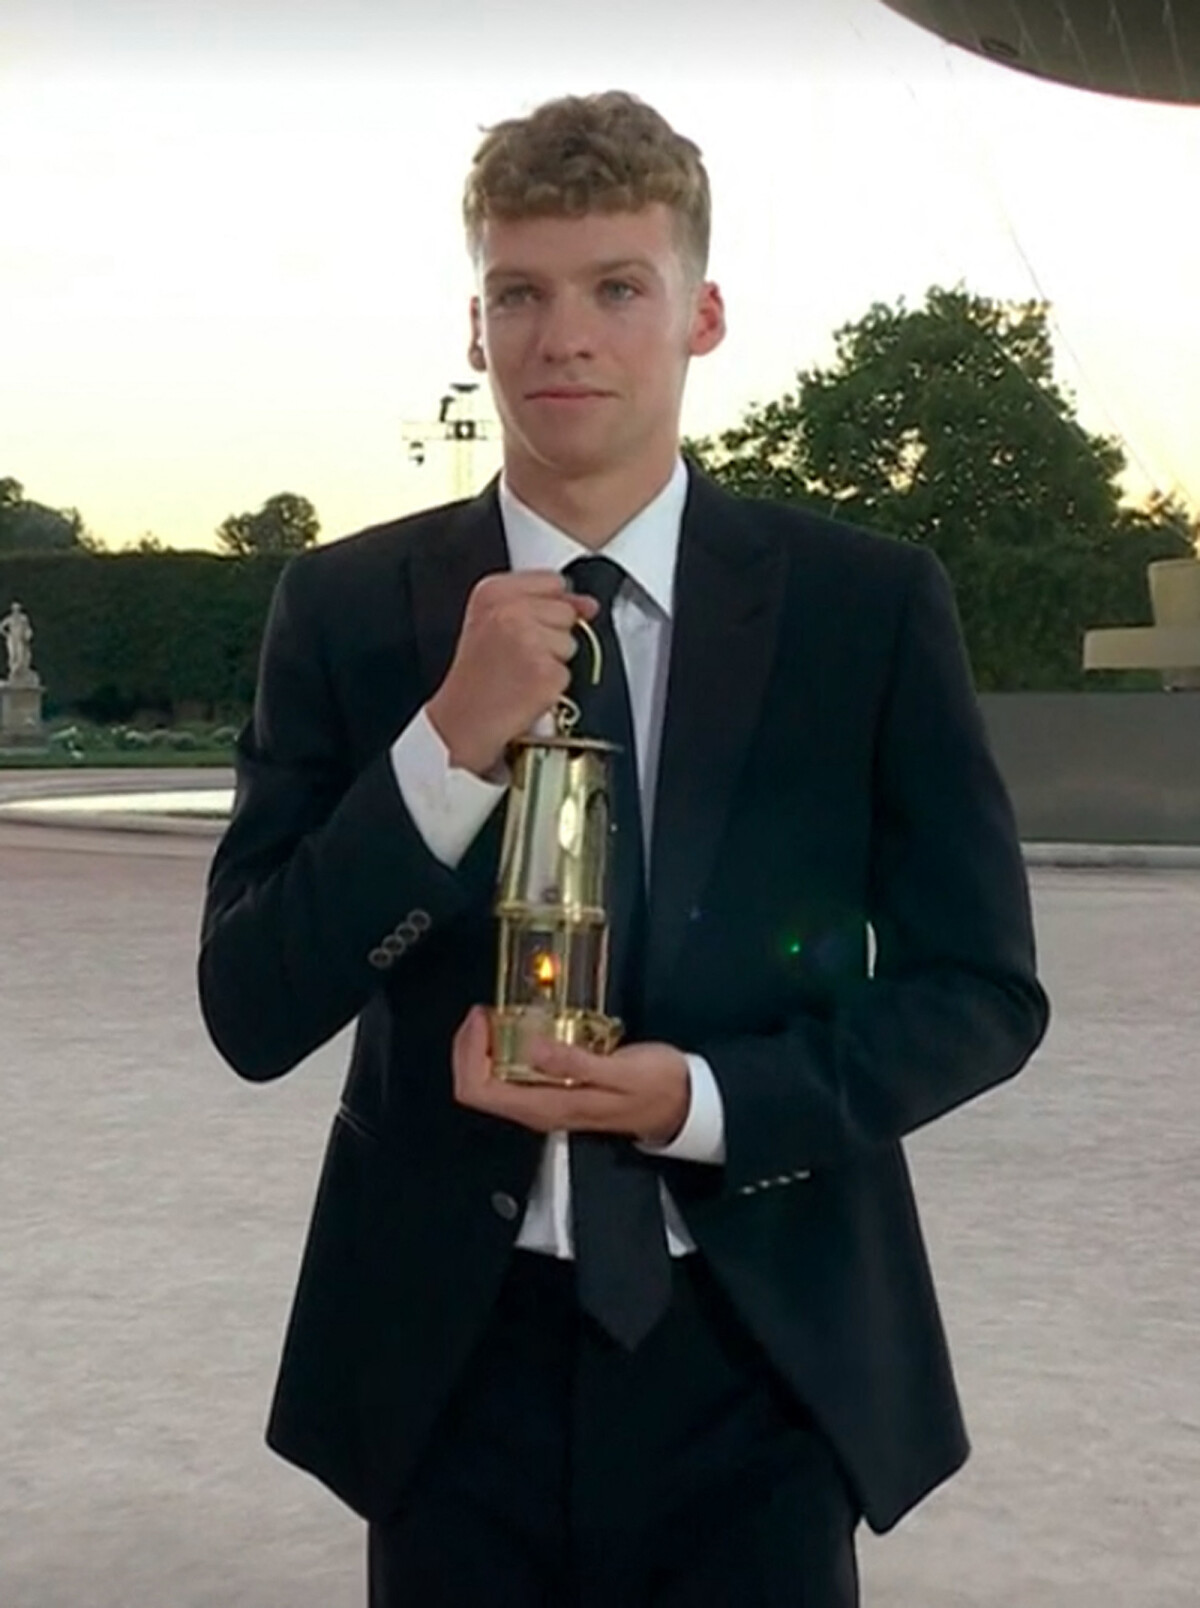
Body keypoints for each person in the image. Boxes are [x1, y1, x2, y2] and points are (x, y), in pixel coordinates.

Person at [198, 90, 1050, 1607]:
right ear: (475, 326)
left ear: (701, 314)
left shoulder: (864, 609)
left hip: (763, 1356)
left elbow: (982, 992)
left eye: (616, 288)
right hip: (447, 1369)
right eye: (520, 294)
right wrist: (443, 747)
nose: (565, 338)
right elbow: (252, 1009)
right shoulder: (343, 612)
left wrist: (705, 1102)